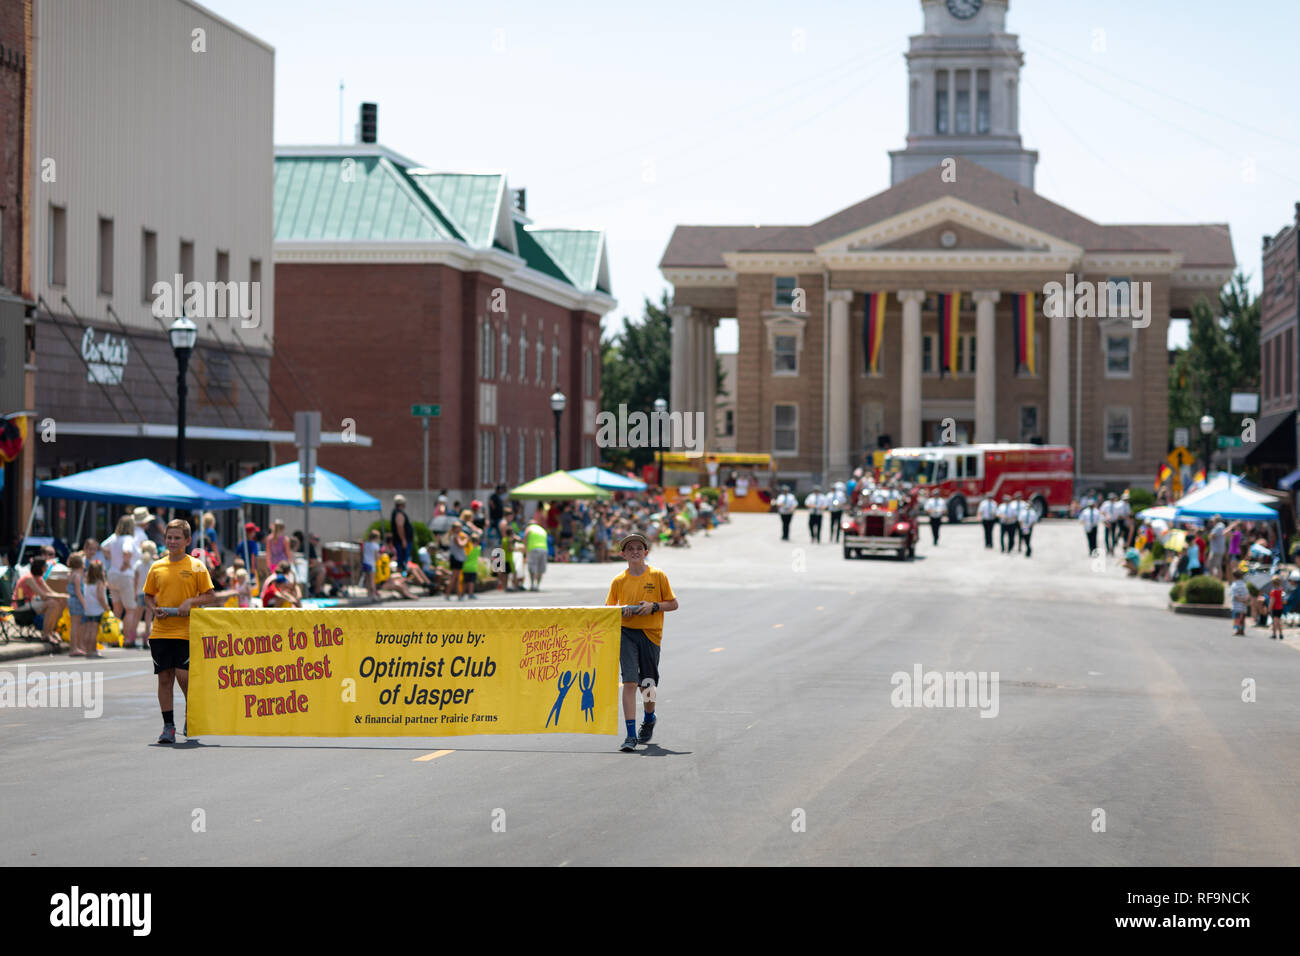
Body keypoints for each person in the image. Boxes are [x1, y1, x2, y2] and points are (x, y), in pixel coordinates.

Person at [143, 519, 217, 744]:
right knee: (165, 678)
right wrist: (154, 608)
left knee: (184, 677)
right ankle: (168, 726)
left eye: (177, 538)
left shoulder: (196, 566)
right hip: (161, 631)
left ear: (187, 540)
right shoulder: (157, 566)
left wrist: (190, 603)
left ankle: (190, 715)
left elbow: (210, 596)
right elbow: (148, 595)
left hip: (187, 631)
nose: (172, 542)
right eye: (169, 537)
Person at [605, 531, 678, 752]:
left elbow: (673, 604)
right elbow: (608, 610)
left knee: (647, 683)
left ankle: (649, 717)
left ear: (646, 552)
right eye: (630, 549)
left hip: (650, 634)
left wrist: (654, 606)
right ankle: (629, 735)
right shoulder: (619, 580)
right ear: (623, 554)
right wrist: (621, 612)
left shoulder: (658, 576)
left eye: (639, 548)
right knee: (629, 682)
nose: (635, 552)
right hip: (626, 633)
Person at [81, 562, 108, 658]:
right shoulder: (99, 583)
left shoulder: (87, 582)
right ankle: (93, 650)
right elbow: (100, 597)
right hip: (97, 609)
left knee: (88, 631)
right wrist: (106, 607)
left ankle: (87, 649)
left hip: (88, 609)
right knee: (94, 631)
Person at [134, 540, 158, 648]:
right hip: (151, 594)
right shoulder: (154, 564)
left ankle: (131, 637)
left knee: (137, 617)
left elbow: (135, 579)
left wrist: (135, 592)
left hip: (139, 592)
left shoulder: (138, 564)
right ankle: (146, 639)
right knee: (148, 618)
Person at [65, 552, 88, 655]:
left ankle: (78, 646)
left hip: (72, 600)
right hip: (76, 601)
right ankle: (73, 648)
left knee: (77, 625)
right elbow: (78, 592)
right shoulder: (77, 576)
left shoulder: (71, 574)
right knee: (75, 625)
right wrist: (84, 604)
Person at [524, 512, 549, 591]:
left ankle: (532, 584)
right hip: (544, 549)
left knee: (532, 567)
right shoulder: (542, 529)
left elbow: (525, 537)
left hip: (534, 549)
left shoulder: (529, 528)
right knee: (540, 568)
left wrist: (525, 551)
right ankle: (537, 585)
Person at [390, 494, 413, 569]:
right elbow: (400, 526)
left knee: (402, 561)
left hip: (400, 541)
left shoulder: (397, 512)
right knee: (402, 561)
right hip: (401, 542)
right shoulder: (399, 513)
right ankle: (400, 577)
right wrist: (403, 540)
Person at [1229, 568, 1249, 636]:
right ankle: (1242, 630)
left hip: (1237, 605)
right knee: (1242, 618)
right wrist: (1245, 600)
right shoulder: (1244, 585)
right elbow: (1247, 594)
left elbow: (1235, 596)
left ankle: (1237, 630)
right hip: (1244, 605)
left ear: (1234, 577)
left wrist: (1241, 600)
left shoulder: (1234, 585)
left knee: (1237, 618)